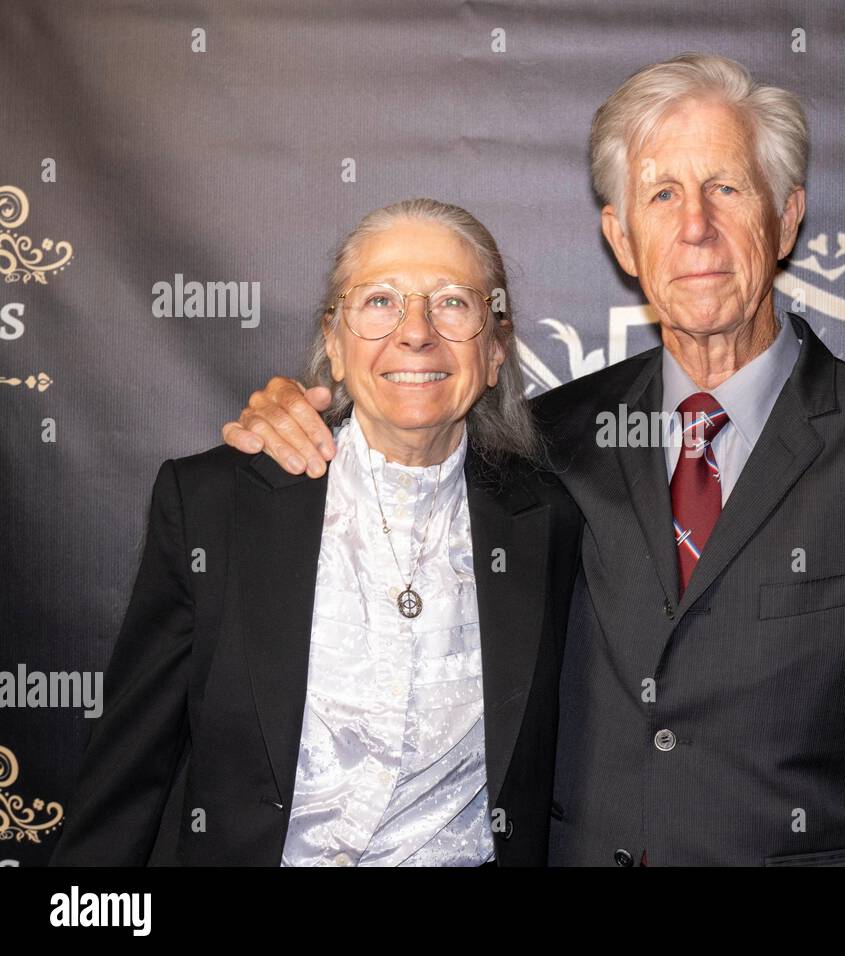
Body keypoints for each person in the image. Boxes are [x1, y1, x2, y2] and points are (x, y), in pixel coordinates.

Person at [222, 54, 845, 866]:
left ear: (787, 216)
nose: (695, 226)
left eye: (727, 188)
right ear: (622, 238)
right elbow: (399, 471)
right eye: (661, 195)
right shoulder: (542, 446)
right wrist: (294, 419)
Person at [51, 199, 582, 866]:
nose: (415, 332)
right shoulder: (216, 505)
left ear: (496, 349)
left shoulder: (553, 522)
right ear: (333, 341)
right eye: (379, 301)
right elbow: (129, 771)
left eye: (452, 302)